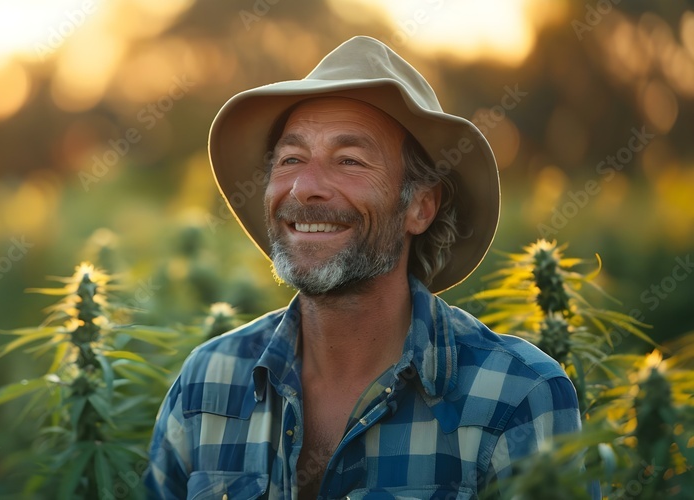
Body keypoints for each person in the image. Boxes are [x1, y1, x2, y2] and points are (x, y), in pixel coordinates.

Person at [144, 37, 584, 499]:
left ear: (420, 207)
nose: (304, 187)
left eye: (349, 161)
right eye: (291, 159)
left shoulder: (516, 397)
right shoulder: (206, 385)